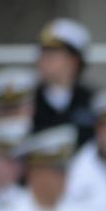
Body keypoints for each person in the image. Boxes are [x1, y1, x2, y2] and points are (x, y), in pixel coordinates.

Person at [30, 19, 96, 147]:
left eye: (52, 54)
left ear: (74, 60)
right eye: (43, 53)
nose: (43, 60)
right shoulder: (29, 101)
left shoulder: (92, 102)